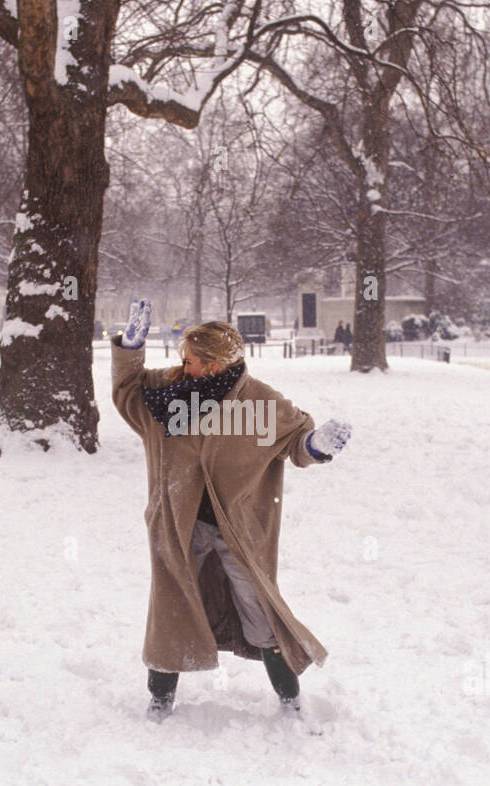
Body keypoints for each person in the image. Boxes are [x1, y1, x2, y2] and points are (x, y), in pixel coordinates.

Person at [111, 300, 352, 720]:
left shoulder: (258, 403)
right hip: (177, 526)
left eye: (190, 361)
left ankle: (291, 699)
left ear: (215, 364)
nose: (182, 368)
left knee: (259, 608)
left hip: (237, 529)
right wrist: (130, 347)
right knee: (170, 611)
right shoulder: (166, 395)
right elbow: (128, 389)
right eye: (182, 359)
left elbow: (295, 438)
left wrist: (316, 446)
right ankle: (160, 699)